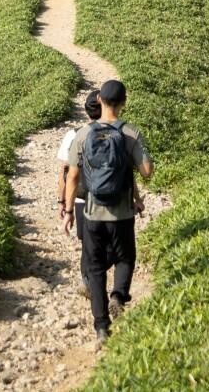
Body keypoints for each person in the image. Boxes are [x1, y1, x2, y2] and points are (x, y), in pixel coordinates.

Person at [63, 77, 153, 347]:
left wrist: (68, 210)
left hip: (91, 213)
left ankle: (102, 328)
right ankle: (118, 296)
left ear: (99, 100)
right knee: (125, 258)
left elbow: (73, 178)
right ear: (124, 103)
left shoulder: (82, 135)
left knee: (95, 267)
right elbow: (147, 172)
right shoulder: (131, 133)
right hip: (122, 214)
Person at [56, 88, 102, 296]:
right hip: (106, 198)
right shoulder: (117, 132)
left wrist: (63, 204)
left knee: (87, 242)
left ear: (85, 110)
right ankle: (94, 280)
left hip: (81, 197)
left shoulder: (73, 135)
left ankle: (88, 280)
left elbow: (66, 173)